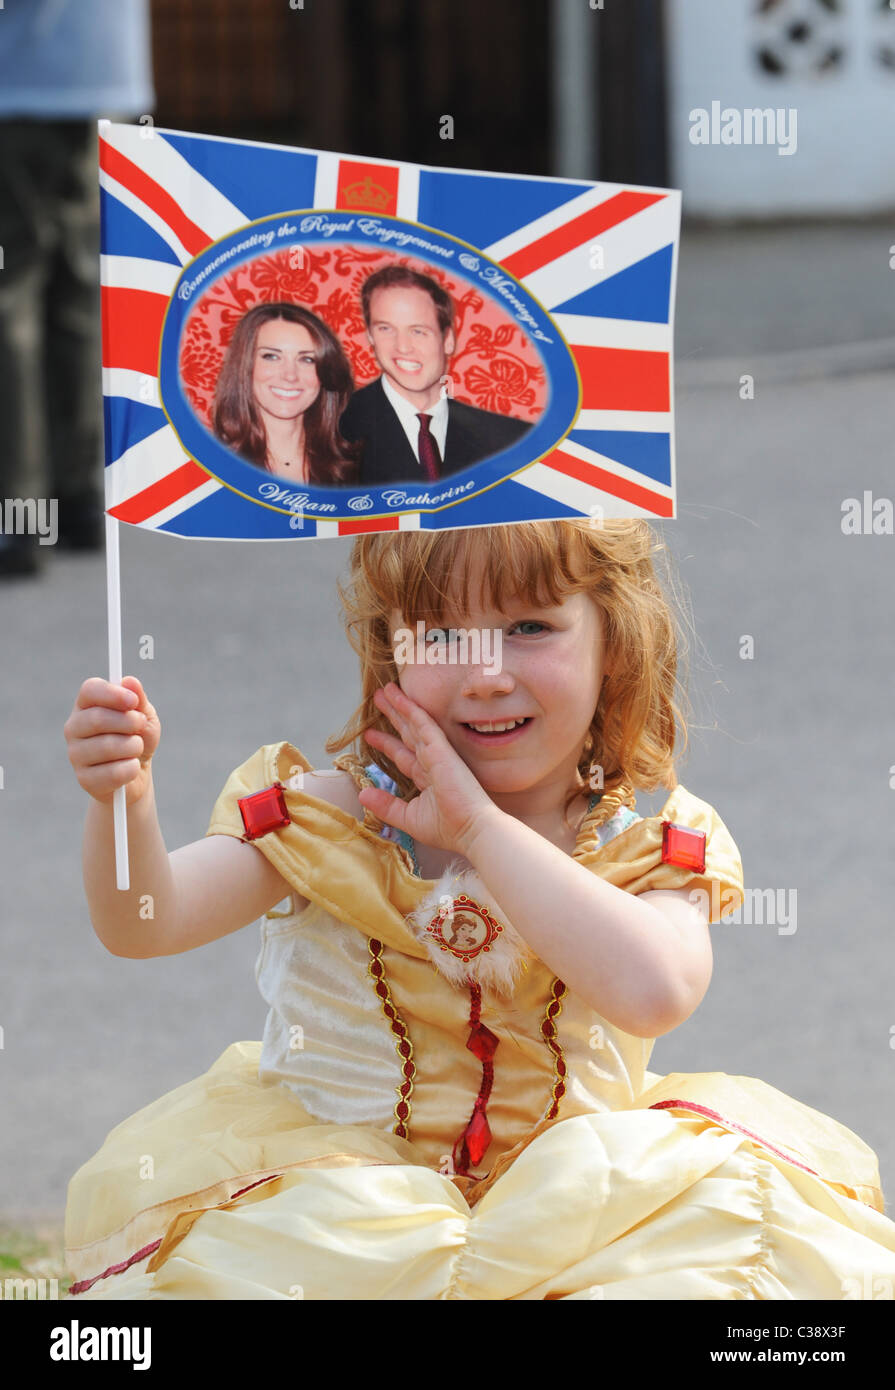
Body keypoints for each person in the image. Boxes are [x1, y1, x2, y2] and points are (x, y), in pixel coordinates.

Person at [62, 518, 895, 1300]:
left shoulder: (647, 845)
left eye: (531, 627)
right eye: (442, 634)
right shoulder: (331, 811)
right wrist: (123, 801)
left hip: (589, 1223)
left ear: (614, 638)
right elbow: (144, 923)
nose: (487, 672)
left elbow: (655, 991)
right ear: (391, 647)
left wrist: (479, 830)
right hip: (331, 1222)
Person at [0, 0, 155, 578]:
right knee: (82, 285)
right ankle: (80, 499)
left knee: (12, 294)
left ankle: (22, 518)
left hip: (17, 78)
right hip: (106, 65)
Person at [340, 265, 533, 487]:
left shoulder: (511, 439)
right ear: (370, 336)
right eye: (385, 329)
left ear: (448, 339)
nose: (402, 347)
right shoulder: (331, 431)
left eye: (418, 331)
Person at [211, 302, 360, 488]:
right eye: (272, 357)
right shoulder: (210, 469)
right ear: (244, 367)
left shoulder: (360, 468)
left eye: (307, 359)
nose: (290, 375)